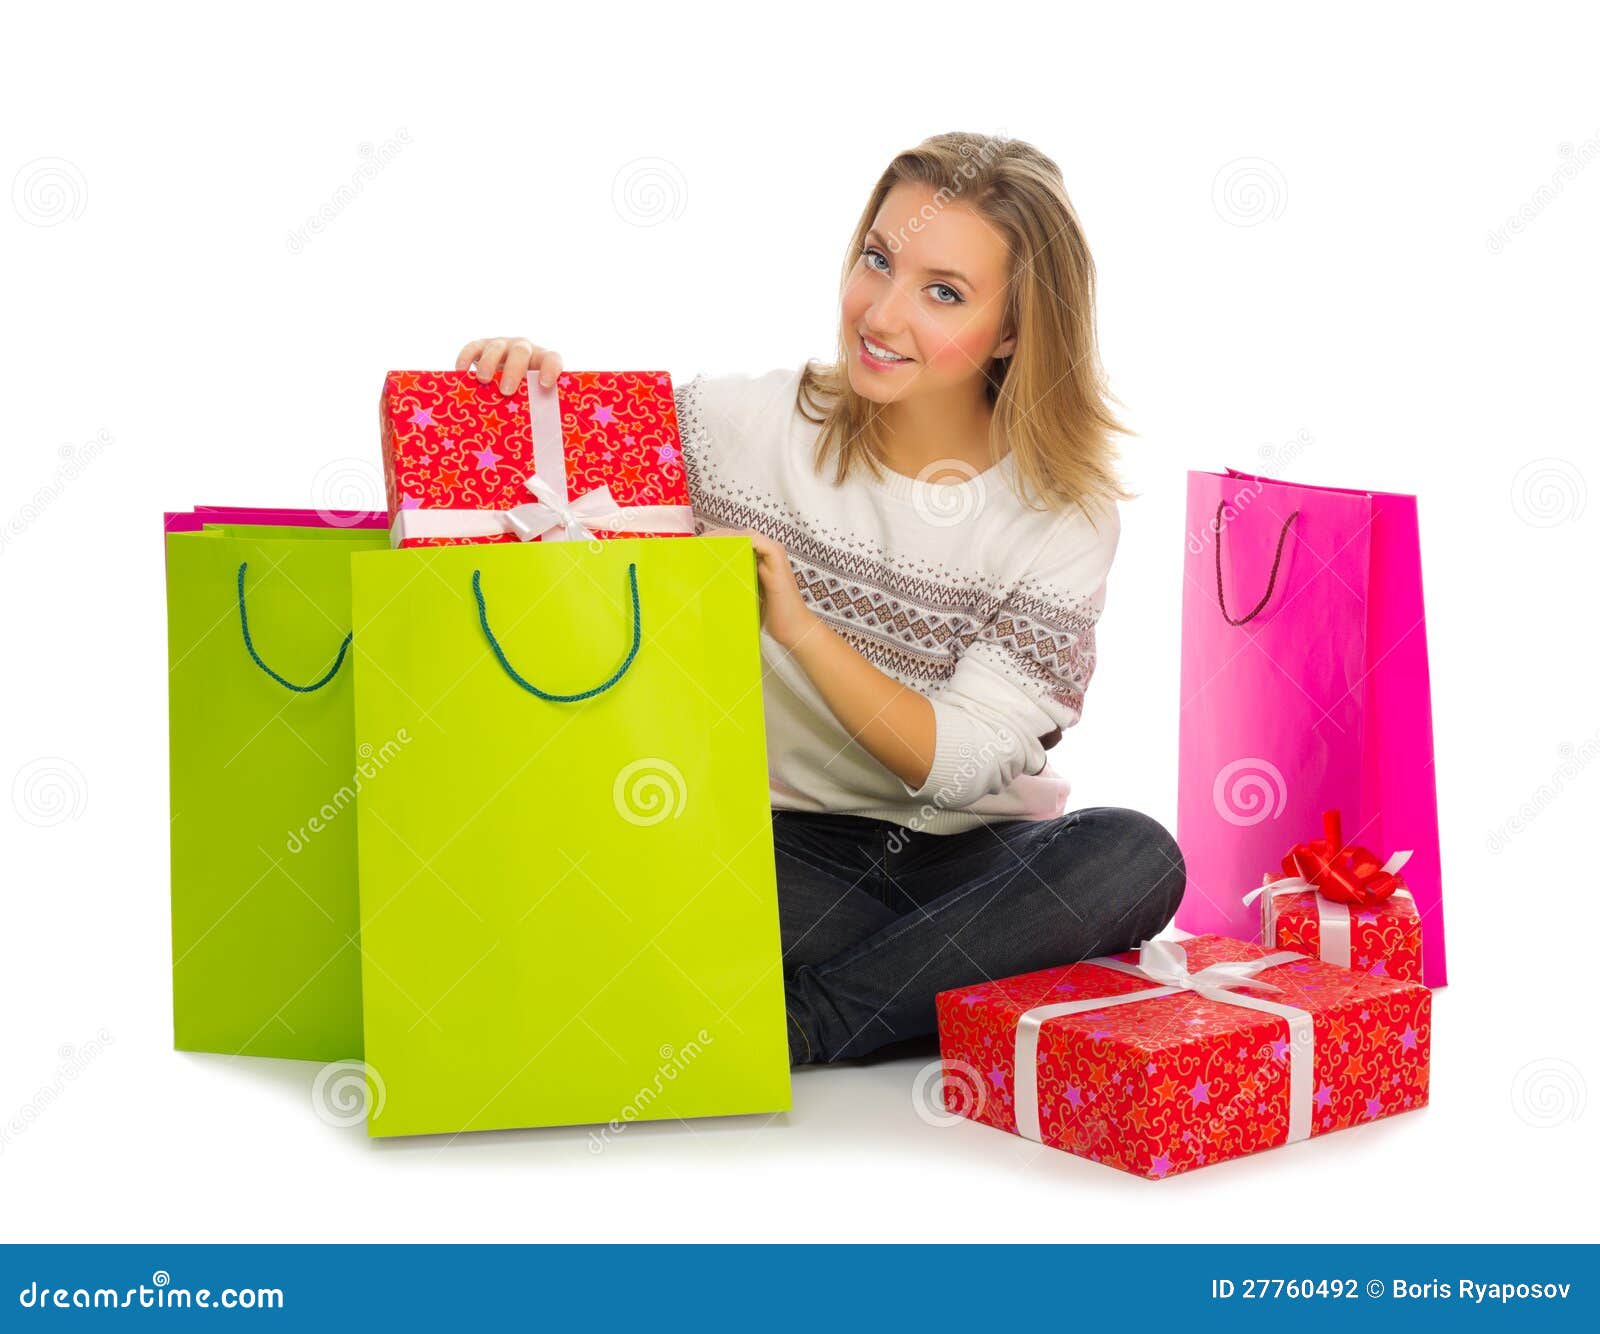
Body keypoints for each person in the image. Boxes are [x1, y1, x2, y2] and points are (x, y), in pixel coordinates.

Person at [456, 130, 1185, 1067]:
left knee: (1133, 857)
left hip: (964, 859)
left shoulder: (1061, 517)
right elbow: (548, 506)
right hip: (772, 847)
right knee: (597, 859)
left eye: (944, 292)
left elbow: (962, 763)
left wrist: (797, 629)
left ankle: (802, 1025)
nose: (882, 314)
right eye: (878, 261)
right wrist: (525, 398)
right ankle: (920, 989)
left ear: (1013, 330)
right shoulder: (739, 427)